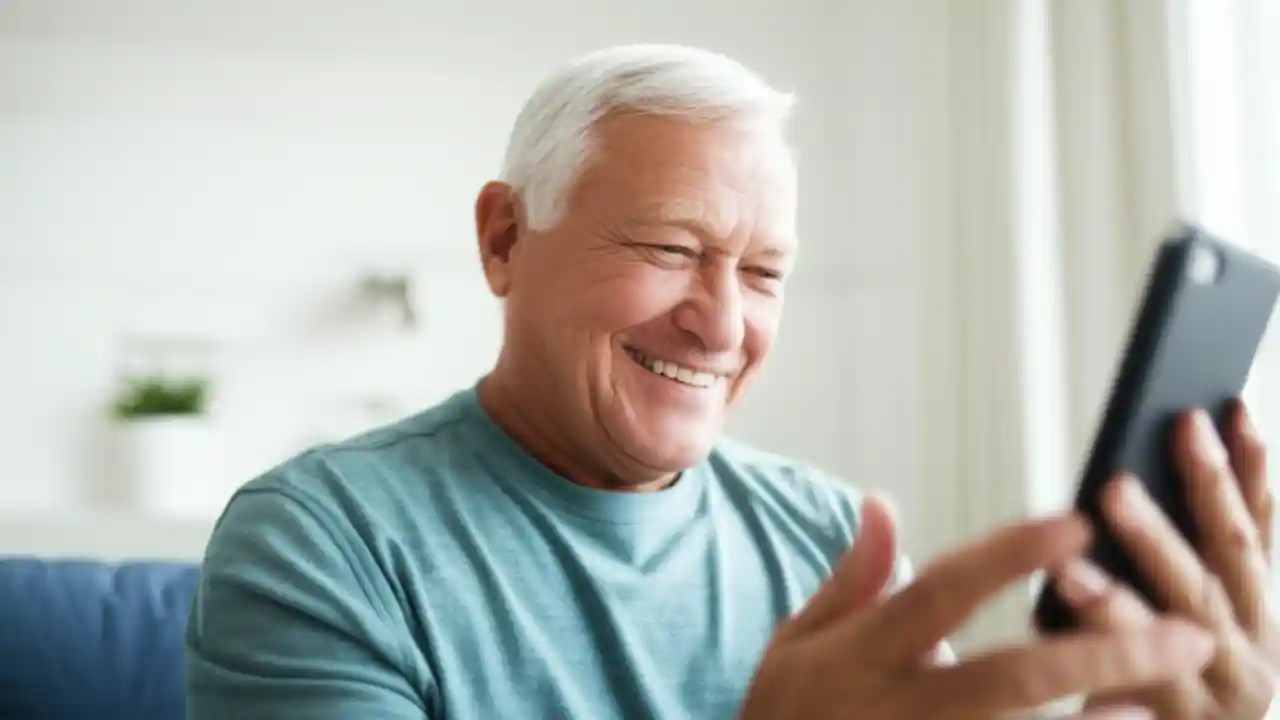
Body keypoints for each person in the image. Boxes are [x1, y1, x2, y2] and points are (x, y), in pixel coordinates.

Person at [185, 44, 1278, 719]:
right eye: (667, 248)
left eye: (762, 272)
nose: (720, 322)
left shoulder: (832, 539)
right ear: (505, 237)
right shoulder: (318, 542)